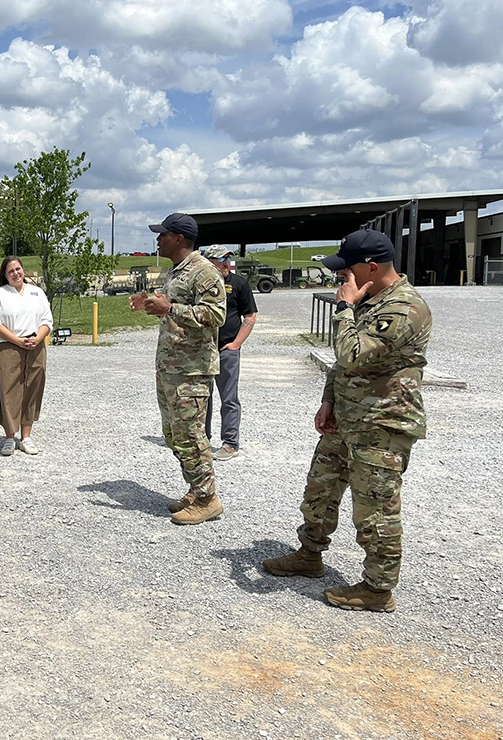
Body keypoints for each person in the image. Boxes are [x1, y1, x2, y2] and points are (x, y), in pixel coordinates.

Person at [262, 230, 431, 613]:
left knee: (375, 508)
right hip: (347, 418)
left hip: (382, 424)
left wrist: (343, 307)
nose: (341, 276)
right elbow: (342, 366)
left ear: (371, 267)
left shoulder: (404, 308)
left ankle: (377, 589)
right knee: (320, 489)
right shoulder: (369, 300)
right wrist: (328, 400)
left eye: (346, 269)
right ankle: (309, 555)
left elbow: (352, 353)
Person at [131, 213, 226, 525]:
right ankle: (197, 489)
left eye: (163, 234)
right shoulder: (176, 271)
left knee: (191, 435)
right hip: (171, 367)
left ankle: (208, 499)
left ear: (179, 238)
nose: (158, 239)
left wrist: (170, 308)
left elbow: (216, 315)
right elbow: (175, 313)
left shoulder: (204, 271)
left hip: (192, 369)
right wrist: (153, 306)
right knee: (174, 434)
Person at [0, 256, 53, 456]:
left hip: (35, 344)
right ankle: (9, 437)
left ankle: (26, 437)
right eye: (10, 271)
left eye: (18, 269)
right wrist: (17, 340)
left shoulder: (37, 292)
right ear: (5, 275)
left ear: (23, 270)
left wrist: (37, 338)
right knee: (9, 389)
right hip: (8, 345)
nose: (15, 273)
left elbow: (47, 320)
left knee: (32, 388)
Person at [201, 244, 258, 461]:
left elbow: (250, 316)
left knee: (229, 399)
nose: (226, 264)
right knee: (202, 397)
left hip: (227, 350)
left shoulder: (238, 284)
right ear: (209, 262)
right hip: (203, 350)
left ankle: (230, 443)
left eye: (228, 259)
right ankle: (202, 439)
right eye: (221, 259)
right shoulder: (200, 285)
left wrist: (236, 344)